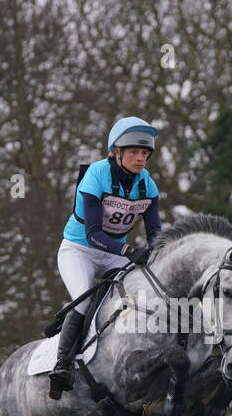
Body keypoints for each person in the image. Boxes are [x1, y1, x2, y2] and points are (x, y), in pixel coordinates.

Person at [49, 116, 163, 399]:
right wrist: (128, 251)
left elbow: (154, 233)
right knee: (85, 299)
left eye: (145, 153)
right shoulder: (96, 175)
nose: (140, 158)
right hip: (79, 250)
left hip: (112, 254)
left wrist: (159, 252)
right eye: (134, 152)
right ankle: (62, 364)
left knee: (146, 291)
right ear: (117, 152)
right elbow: (92, 234)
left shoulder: (147, 185)